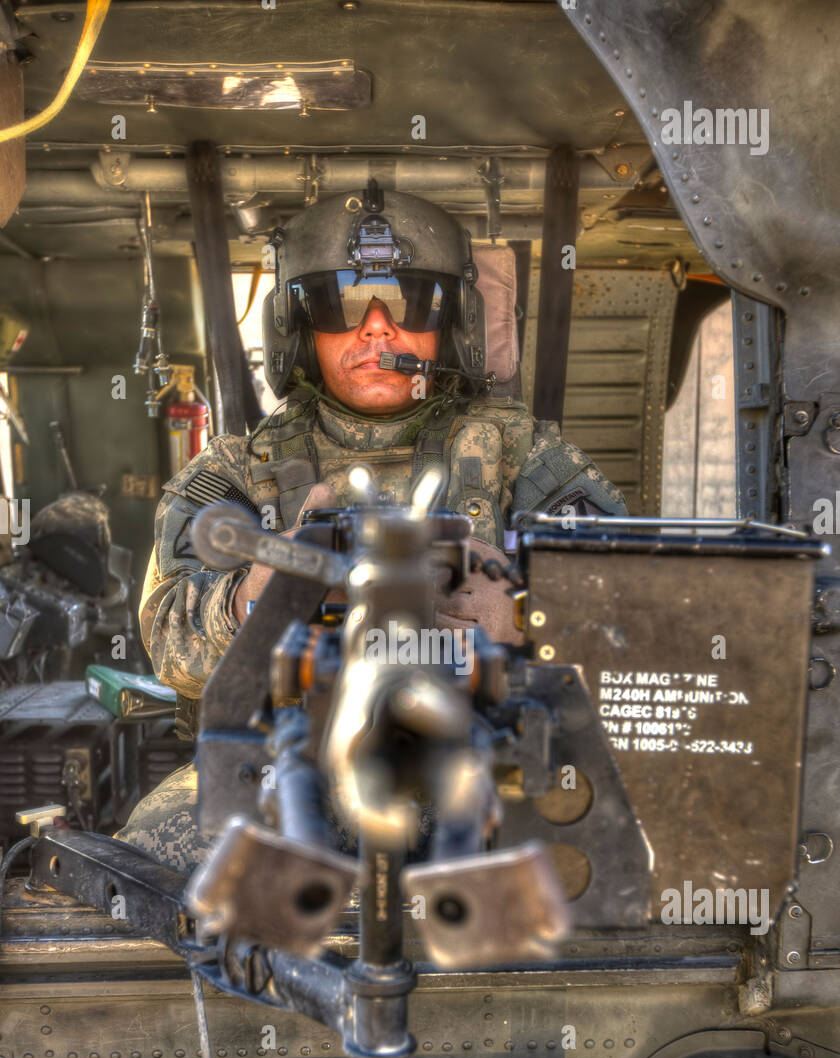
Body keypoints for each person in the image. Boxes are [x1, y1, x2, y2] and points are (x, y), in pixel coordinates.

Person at [117, 181, 627, 870]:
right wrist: (250, 601)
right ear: (301, 326)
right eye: (344, 302)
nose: (377, 328)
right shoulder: (237, 474)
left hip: (492, 757)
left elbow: (636, 616)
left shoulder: (528, 459)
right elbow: (166, 641)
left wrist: (530, 620)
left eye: (411, 300)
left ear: (452, 322)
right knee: (160, 856)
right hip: (292, 759)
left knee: (612, 856)